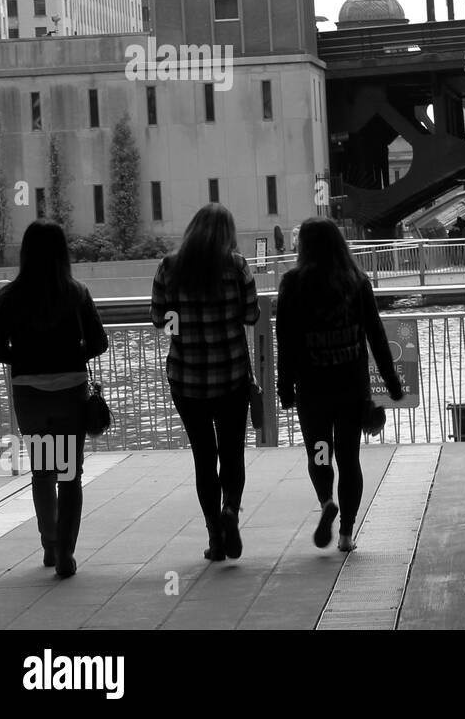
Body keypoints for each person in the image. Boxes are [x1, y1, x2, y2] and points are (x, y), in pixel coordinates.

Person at [0, 220, 108, 578]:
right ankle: (68, 551)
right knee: (70, 474)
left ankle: (50, 545)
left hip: (29, 395)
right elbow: (99, 343)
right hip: (71, 392)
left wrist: (26, 357)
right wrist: (71, 354)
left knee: (43, 470)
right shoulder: (77, 293)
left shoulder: (8, 296)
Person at [276, 218, 403, 552]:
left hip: (312, 390)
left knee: (320, 452)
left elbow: (285, 340)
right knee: (349, 459)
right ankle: (346, 534)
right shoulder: (356, 282)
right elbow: (376, 335)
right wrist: (392, 383)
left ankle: (326, 500)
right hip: (351, 389)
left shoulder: (293, 283)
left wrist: (284, 386)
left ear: (303, 246)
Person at [151, 203, 259, 562]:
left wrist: (186, 328)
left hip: (188, 379)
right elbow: (251, 314)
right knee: (232, 452)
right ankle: (232, 510)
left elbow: (160, 320)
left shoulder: (169, 267)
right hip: (231, 376)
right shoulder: (237, 266)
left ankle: (215, 536)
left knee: (203, 457)